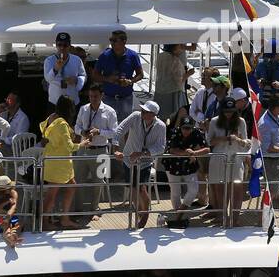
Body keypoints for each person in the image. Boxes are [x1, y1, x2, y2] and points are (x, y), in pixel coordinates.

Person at [114, 100, 166, 228]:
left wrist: (143, 153)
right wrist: (115, 149)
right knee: (132, 188)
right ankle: (139, 213)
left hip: (145, 162)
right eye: (142, 110)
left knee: (142, 188)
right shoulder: (135, 116)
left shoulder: (161, 126)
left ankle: (145, 214)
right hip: (129, 161)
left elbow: (161, 147)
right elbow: (119, 129)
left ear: (153, 115)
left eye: (145, 111)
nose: (142, 112)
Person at [73, 82, 119, 216]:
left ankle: (95, 208)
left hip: (101, 149)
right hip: (83, 149)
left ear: (102, 95)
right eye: (91, 96)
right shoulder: (83, 109)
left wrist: (99, 132)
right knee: (79, 180)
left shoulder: (110, 111)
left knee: (98, 182)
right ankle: (78, 209)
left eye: (95, 96)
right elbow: (76, 126)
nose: (93, 99)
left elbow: (114, 132)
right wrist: (83, 133)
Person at [39, 96, 80, 229]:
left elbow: (44, 132)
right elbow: (69, 146)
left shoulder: (52, 117)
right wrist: (82, 144)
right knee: (52, 194)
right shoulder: (62, 123)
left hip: (55, 160)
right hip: (58, 163)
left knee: (72, 186)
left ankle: (64, 218)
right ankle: (45, 222)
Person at [206, 97, 250, 219]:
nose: (228, 114)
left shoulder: (241, 122)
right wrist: (224, 138)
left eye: (231, 111)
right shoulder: (214, 121)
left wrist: (238, 139)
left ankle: (235, 218)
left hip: (236, 157)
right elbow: (209, 141)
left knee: (236, 189)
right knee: (220, 189)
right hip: (219, 157)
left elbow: (246, 143)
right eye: (226, 111)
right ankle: (222, 217)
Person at [162, 114, 208, 220]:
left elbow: (207, 149)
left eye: (189, 128)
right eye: (184, 128)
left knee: (193, 189)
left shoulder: (197, 133)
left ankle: (180, 212)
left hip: (189, 164)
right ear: (180, 127)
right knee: (175, 191)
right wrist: (187, 153)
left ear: (193, 127)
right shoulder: (174, 132)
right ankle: (178, 215)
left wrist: (194, 153)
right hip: (172, 165)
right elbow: (172, 150)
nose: (186, 130)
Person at [93, 29, 143, 121]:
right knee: (106, 126)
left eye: (115, 40)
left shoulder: (133, 56)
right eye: (111, 40)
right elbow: (95, 75)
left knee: (125, 126)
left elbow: (140, 74)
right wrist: (108, 79)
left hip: (126, 98)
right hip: (108, 97)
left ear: (124, 41)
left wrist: (130, 81)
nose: (112, 42)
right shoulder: (104, 56)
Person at [43, 33, 86, 106]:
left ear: (69, 46)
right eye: (59, 45)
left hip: (72, 102)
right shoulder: (49, 60)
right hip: (55, 102)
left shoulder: (76, 60)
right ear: (56, 45)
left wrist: (76, 80)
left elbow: (83, 76)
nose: (62, 48)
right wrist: (55, 69)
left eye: (65, 45)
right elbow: (48, 79)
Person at [155, 44, 192, 119]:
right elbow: (179, 81)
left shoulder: (159, 56)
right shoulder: (175, 60)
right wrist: (189, 73)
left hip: (159, 90)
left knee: (161, 117)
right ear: (174, 48)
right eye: (180, 47)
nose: (182, 49)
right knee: (174, 118)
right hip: (172, 93)